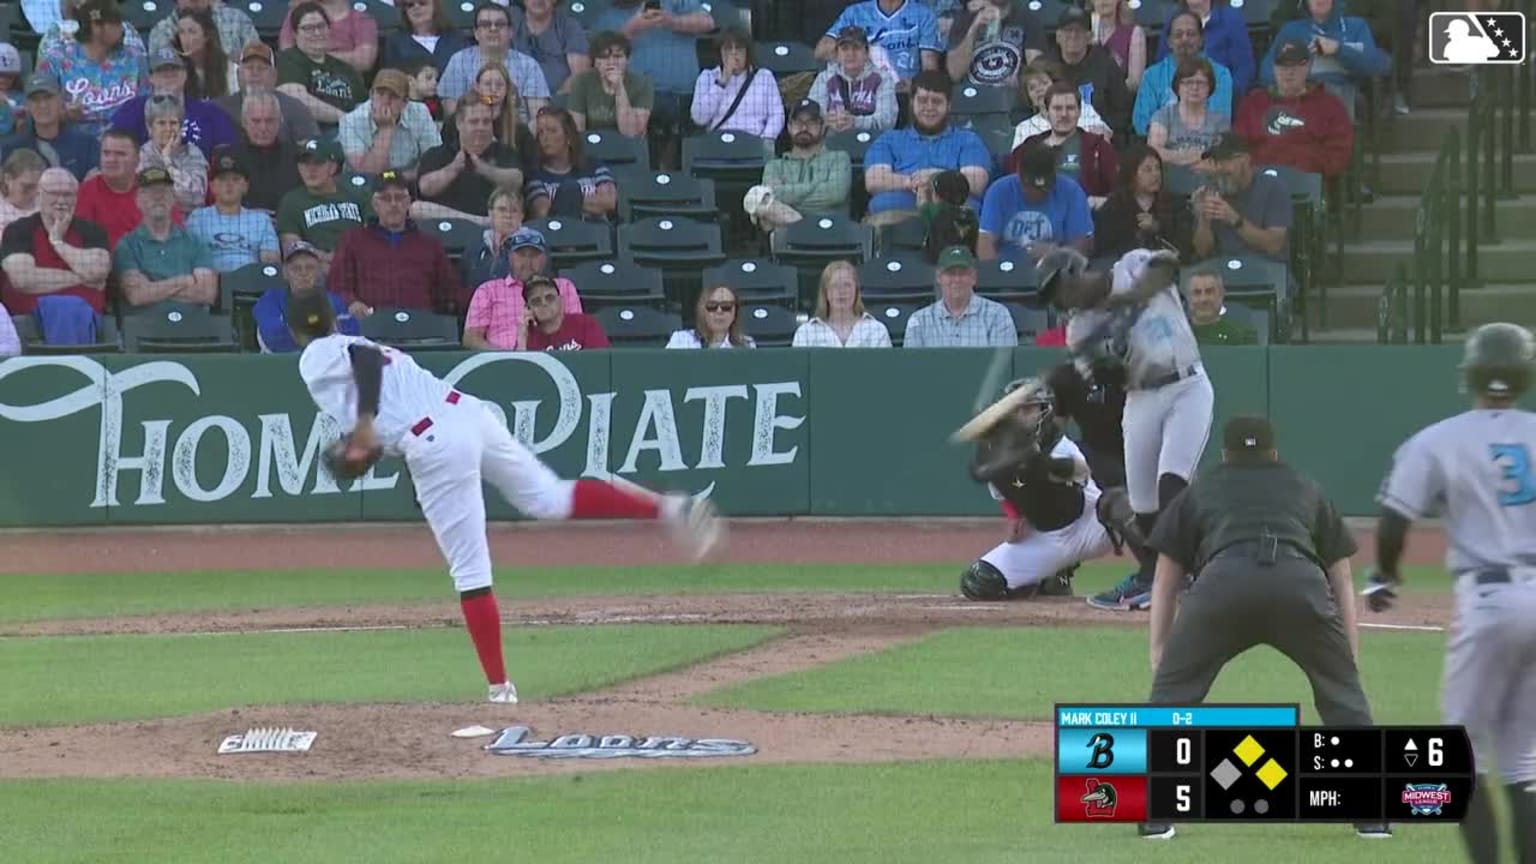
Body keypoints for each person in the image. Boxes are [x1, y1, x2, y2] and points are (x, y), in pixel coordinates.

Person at [287, 288, 724, 703]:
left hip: (436, 440)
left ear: (295, 332)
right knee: (548, 498)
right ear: (334, 318)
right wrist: (376, 439)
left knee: (470, 568)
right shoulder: (363, 343)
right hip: (468, 415)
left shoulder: (317, 355)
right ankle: (673, 508)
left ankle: (500, 690)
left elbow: (362, 366)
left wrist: (362, 424)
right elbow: (380, 402)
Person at [1135, 415, 1386, 841]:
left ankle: (1156, 815)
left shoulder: (1203, 487)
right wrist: (1349, 652)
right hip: (1298, 586)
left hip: (1222, 588)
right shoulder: (1306, 486)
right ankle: (1372, 815)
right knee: (1344, 698)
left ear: (1225, 454)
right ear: (1274, 452)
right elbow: (1340, 577)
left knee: (1171, 698)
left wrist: (1160, 646)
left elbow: (1165, 578)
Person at [1365, 322, 1536, 862]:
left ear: (1472, 375)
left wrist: (1386, 575)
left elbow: (1394, 520)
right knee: (1524, 766)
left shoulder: (1440, 438)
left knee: (1457, 759)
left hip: (1488, 601)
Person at [1043, 246, 1215, 600]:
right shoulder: (1080, 329)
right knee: (1143, 506)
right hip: (1141, 399)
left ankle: (1196, 575)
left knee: (1171, 487)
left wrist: (1128, 302)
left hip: (1186, 386)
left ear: (1076, 274)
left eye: (1062, 291)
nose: (1064, 303)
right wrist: (1109, 358)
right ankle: (1164, 577)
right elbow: (1111, 377)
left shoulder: (1131, 264)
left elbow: (1167, 264)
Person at [956, 376, 1146, 601]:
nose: (1025, 416)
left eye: (1031, 409)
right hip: (1047, 537)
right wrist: (1014, 517)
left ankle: (1152, 575)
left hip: (1090, 527)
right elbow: (999, 490)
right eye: (1019, 410)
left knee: (1119, 502)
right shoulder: (995, 454)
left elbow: (1080, 471)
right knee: (979, 582)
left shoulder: (1060, 446)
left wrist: (1035, 461)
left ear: (1045, 412)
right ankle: (1050, 577)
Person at [1233, 40, 1354, 182]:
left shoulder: (1329, 105)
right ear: (1274, 68)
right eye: (1283, 66)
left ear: (1308, 66)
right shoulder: (1254, 102)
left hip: (1308, 181)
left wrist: (1307, 166)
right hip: (1259, 181)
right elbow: (1237, 145)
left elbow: (1339, 153)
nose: (1289, 72)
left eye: (1296, 66)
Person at [35, 0, 149, 139]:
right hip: (75, 144)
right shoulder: (57, 59)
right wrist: (63, 113)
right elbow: (37, 104)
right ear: (96, 26)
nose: (123, 29)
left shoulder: (134, 56)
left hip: (126, 142)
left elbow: (148, 102)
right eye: (116, 24)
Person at [113, 166, 218, 312]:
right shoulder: (127, 246)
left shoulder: (195, 242)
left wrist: (153, 287)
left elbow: (207, 293)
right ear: (138, 200)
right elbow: (137, 295)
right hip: (144, 330)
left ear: (174, 198)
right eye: (150, 192)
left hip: (193, 326)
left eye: (163, 191)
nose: (158, 197)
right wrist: (184, 281)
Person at [463, 227, 582, 351]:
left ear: (544, 259)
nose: (527, 261)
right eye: (521, 255)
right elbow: (471, 338)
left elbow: (577, 330)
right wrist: (507, 357)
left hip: (554, 356)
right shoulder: (488, 290)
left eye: (534, 255)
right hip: (502, 361)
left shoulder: (564, 287)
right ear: (510, 257)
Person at [978, 140, 1094, 263]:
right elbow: (985, 243)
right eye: (1031, 187)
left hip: (1055, 271)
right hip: (1008, 269)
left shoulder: (1071, 191)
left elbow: (1083, 243)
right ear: (1019, 173)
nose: (1036, 193)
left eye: (1044, 188)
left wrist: (1057, 254)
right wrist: (995, 275)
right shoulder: (999, 191)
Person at [747, 99, 851, 233]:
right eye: (798, 122)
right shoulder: (775, 166)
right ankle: (801, 228)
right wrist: (817, 187)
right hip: (788, 237)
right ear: (789, 127)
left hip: (831, 229)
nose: (804, 128)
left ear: (823, 126)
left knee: (770, 208)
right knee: (758, 200)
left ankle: (800, 228)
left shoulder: (839, 158)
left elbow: (835, 194)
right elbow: (767, 198)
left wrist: (784, 194)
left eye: (811, 122)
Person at [1012, 82, 1118, 209]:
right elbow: (1011, 188)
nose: (1064, 114)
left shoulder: (1099, 147)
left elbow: (1120, 194)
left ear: (1079, 112)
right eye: (1057, 108)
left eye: (1070, 108)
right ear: (1046, 113)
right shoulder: (1029, 147)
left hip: (1082, 217)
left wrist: (1100, 201)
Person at [439, 2, 550, 122]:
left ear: (510, 32)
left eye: (500, 24)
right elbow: (453, 115)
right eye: (485, 24)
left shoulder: (529, 66)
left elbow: (539, 118)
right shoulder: (459, 61)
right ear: (476, 33)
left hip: (517, 134)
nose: (493, 29)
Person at [1134, 9, 1233, 138]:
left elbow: (1220, 120)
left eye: (1191, 34)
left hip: (1207, 148)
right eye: (1178, 35)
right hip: (1161, 148)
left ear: (1202, 39)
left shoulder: (1221, 75)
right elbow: (1142, 123)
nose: (1184, 39)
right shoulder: (1151, 76)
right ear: (1169, 41)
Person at [253, 239, 359, 352]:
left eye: (310, 268)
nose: (303, 273)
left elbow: (350, 331)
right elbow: (272, 336)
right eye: (296, 269)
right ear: (285, 272)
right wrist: (319, 336)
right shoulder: (271, 299)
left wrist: (303, 335)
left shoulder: (333, 299)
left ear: (318, 271)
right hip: (283, 363)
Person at [275, 2, 367, 132]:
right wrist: (345, 119)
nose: (317, 33)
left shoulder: (346, 69)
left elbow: (363, 106)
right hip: (309, 133)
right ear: (295, 34)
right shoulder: (288, 59)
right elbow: (297, 100)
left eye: (321, 26)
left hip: (351, 135)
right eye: (308, 28)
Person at [902, 245, 1016, 348]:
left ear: (974, 277)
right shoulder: (919, 321)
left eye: (963, 273)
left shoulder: (998, 315)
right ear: (938, 277)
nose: (956, 279)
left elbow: (1004, 366)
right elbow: (912, 368)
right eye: (950, 273)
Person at [187, 149, 279, 271]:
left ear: (246, 186)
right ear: (212, 187)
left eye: (235, 179)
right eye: (223, 179)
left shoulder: (260, 220)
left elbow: (271, 265)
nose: (229, 184)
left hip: (251, 283)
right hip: (210, 284)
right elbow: (190, 261)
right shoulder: (198, 218)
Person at [1093, 144, 1189, 261]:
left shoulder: (1175, 203)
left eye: (1158, 168)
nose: (1155, 174)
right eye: (1147, 170)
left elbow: (1184, 248)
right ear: (1131, 174)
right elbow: (1105, 248)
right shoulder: (1115, 205)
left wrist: (1157, 228)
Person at [689, 28, 784, 143]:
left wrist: (764, 141)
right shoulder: (707, 77)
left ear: (747, 52)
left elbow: (777, 116)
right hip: (718, 142)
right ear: (720, 52)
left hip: (753, 141)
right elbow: (699, 118)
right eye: (728, 48)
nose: (733, 53)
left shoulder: (764, 77)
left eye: (738, 48)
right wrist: (722, 82)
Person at [817, 0, 943, 86]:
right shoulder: (854, 13)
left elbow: (929, 70)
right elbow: (821, 51)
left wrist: (912, 86)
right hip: (863, 91)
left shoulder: (924, 15)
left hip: (905, 92)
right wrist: (865, 54)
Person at [217, 42, 321, 145]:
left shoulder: (295, 108)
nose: (255, 73)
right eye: (249, 68)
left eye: (262, 68)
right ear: (238, 74)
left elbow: (312, 148)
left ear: (274, 75)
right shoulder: (219, 110)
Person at [525, 105, 617, 221]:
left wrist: (564, 200)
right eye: (541, 132)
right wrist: (584, 202)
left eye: (552, 131)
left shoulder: (594, 166)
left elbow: (608, 202)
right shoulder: (535, 175)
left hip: (594, 233)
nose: (545, 138)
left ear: (568, 135)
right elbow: (542, 212)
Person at [3, 73, 100, 181]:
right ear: (27, 105)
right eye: (35, 100)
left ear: (60, 100)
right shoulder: (12, 149)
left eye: (48, 98)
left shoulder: (87, 145)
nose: (43, 105)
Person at [807, 27, 898, 133]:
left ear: (866, 52)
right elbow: (812, 117)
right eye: (845, 48)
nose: (850, 53)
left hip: (872, 141)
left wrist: (855, 122)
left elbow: (888, 120)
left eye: (856, 48)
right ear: (837, 53)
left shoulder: (883, 78)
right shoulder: (824, 78)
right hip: (833, 142)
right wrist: (827, 120)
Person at [1153, 0, 1254, 95]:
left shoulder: (1231, 19)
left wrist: (1225, 96)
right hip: (1176, 100)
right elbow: (1161, 68)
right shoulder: (1173, 21)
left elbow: (1244, 68)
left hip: (1221, 100)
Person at [566, 32, 654, 137]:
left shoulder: (643, 84)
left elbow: (631, 132)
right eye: (604, 57)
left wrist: (619, 88)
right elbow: (577, 131)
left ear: (628, 60)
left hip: (628, 148)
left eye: (617, 56)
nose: (611, 62)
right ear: (595, 62)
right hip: (591, 146)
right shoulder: (582, 82)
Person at [791, 260, 893, 348]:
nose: (841, 291)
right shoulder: (806, 333)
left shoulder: (877, 330)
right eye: (835, 286)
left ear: (856, 290)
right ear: (825, 292)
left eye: (847, 285)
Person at [945, 0, 1046, 88]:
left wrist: (1021, 82)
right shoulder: (964, 20)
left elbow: (1036, 69)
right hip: (973, 98)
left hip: (1013, 98)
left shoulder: (1029, 20)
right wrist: (973, 31)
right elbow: (954, 73)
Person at [278, 0, 378, 75]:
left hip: (345, 83)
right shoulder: (295, 14)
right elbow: (287, 54)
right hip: (302, 79)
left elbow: (364, 61)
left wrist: (315, 56)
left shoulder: (361, 20)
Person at [513, 0, 591, 95]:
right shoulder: (510, 22)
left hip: (557, 102)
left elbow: (579, 74)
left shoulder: (569, 27)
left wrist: (553, 102)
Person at [517, 274, 610, 351]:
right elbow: (522, 370)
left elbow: (599, 363)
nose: (544, 303)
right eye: (536, 301)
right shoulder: (527, 337)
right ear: (528, 308)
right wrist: (522, 337)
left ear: (561, 300)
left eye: (549, 298)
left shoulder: (585, 324)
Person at [381, 0, 473, 76]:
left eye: (422, 3)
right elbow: (392, 79)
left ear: (435, 6)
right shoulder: (395, 41)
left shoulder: (456, 38)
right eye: (410, 5)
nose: (416, 7)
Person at [666, 284, 755, 349]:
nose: (719, 311)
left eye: (726, 306)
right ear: (702, 310)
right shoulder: (680, 340)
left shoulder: (746, 345)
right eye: (712, 306)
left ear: (735, 311)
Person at [173, 8, 236, 99]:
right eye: (181, 32)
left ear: (206, 36)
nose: (185, 38)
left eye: (192, 32)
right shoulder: (174, 67)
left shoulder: (229, 68)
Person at [1186, 269, 1259, 345]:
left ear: (1221, 295)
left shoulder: (1243, 336)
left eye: (1209, 291)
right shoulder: (1176, 336)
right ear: (1188, 297)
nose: (1203, 299)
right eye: (1197, 292)